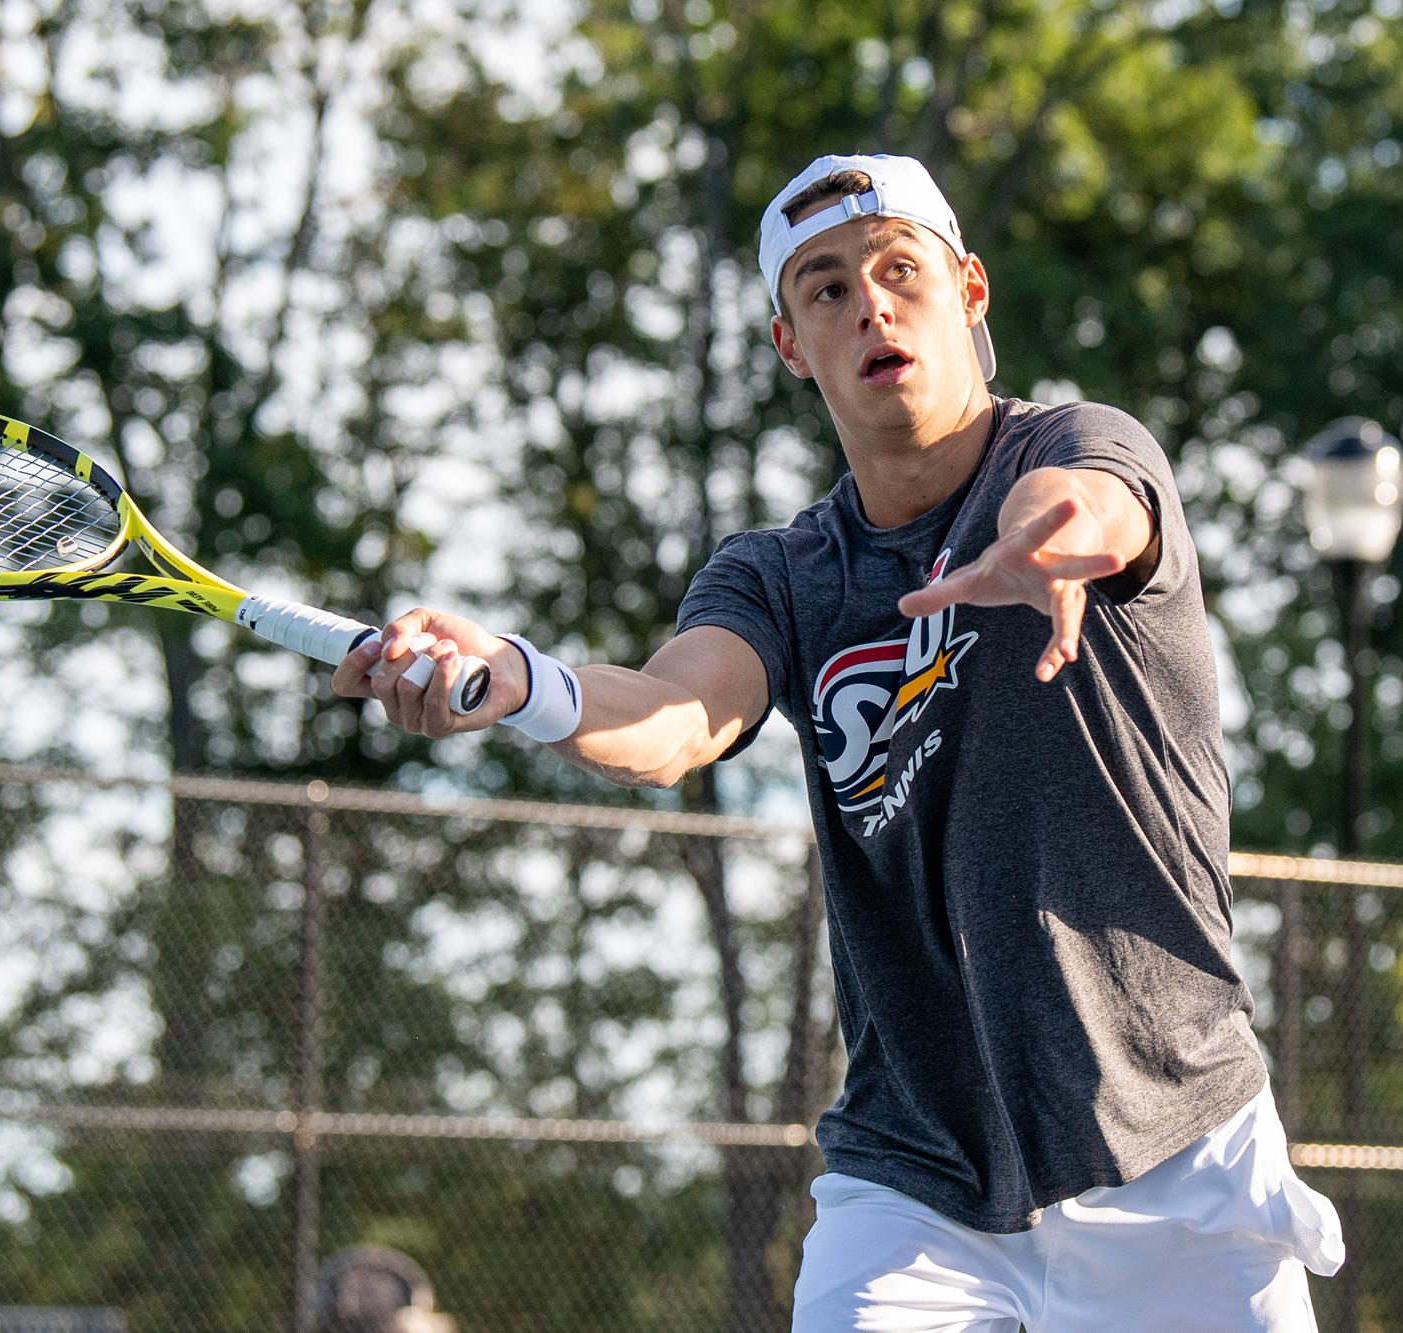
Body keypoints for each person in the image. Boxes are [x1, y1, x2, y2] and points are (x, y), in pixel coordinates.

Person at [331, 152, 1344, 1331]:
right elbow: (675, 715)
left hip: (1169, 1147)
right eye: (823, 288)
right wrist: (516, 681)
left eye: (897, 271)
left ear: (968, 294)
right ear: (789, 348)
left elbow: (1094, 501)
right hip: (912, 1179)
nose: (867, 303)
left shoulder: (1070, 448)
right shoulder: (778, 575)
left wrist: (1053, 534)